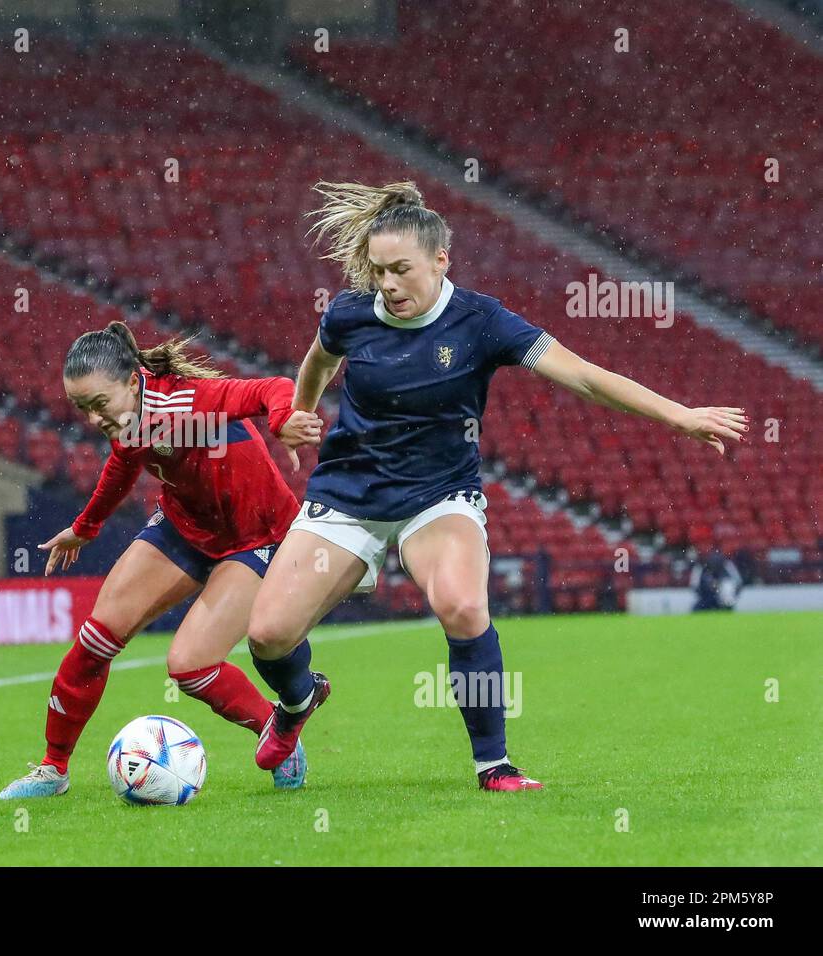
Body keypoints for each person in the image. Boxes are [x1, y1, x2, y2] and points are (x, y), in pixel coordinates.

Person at [245, 181, 748, 792]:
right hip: (347, 497)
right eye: (379, 271)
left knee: (461, 605)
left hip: (439, 496)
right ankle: (299, 700)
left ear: (440, 260)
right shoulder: (350, 313)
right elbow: (318, 361)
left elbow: (583, 377)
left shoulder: (482, 322)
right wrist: (301, 414)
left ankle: (494, 765)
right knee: (268, 637)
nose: (389, 284)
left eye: (401, 270)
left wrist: (678, 415)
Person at [0, 321, 322, 799]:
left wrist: (280, 422)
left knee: (188, 667)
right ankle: (53, 768)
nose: (92, 419)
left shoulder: (186, 402)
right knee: (94, 640)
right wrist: (84, 528)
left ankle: (277, 727)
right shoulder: (125, 417)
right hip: (185, 527)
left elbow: (271, 387)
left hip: (257, 536)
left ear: (132, 381)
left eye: (98, 404)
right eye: (82, 408)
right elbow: (124, 462)